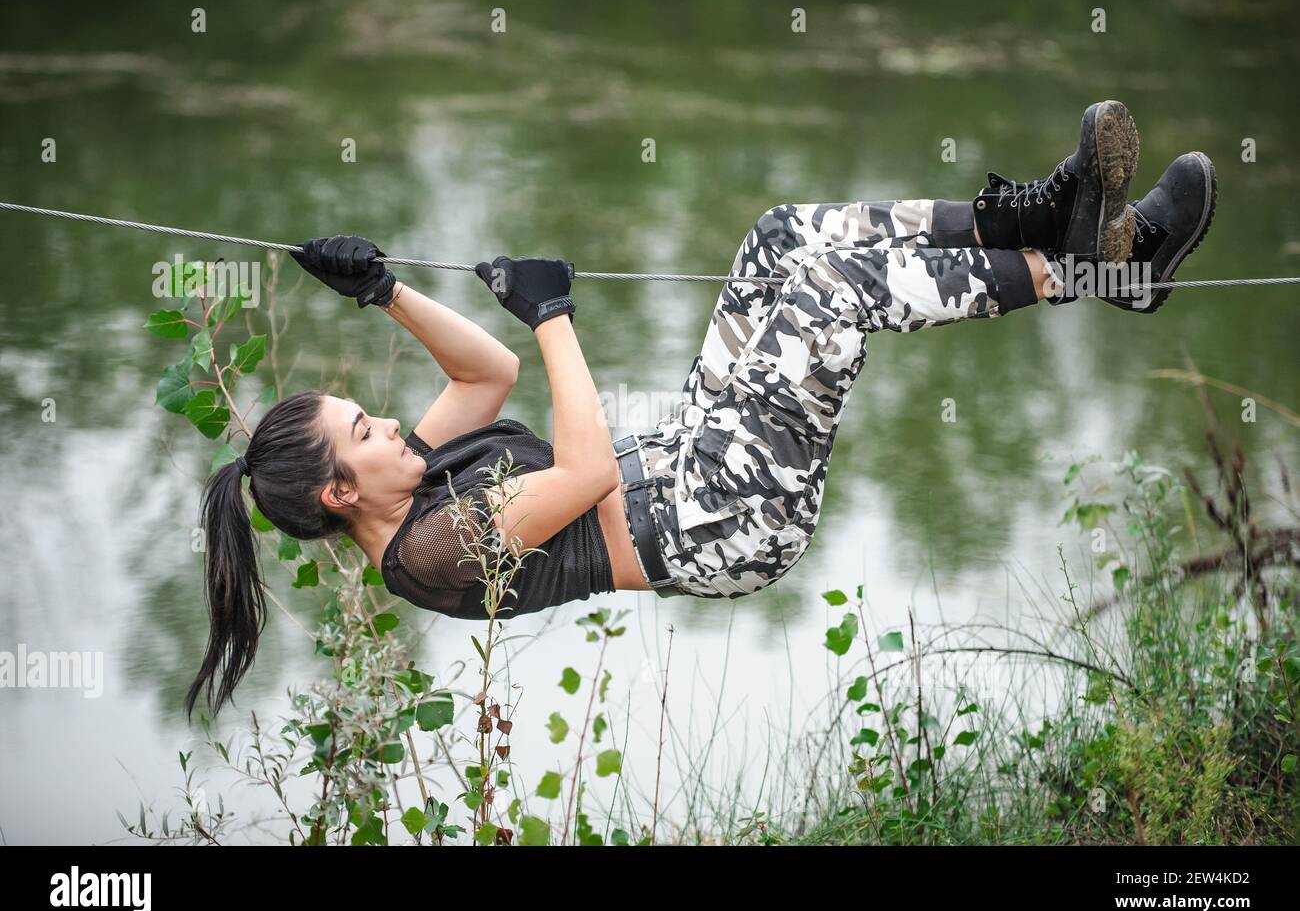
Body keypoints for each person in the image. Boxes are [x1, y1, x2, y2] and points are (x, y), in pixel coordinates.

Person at [185, 100, 1217, 717]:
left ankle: (1047, 216)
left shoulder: (405, 474)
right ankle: (1101, 270)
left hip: (693, 453)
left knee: (778, 241)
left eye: (368, 414)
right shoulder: (427, 550)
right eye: (362, 431)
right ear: (337, 489)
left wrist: (383, 291)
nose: (385, 427)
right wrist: (555, 314)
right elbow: (583, 470)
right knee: (830, 299)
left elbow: (483, 378)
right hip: (722, 519)